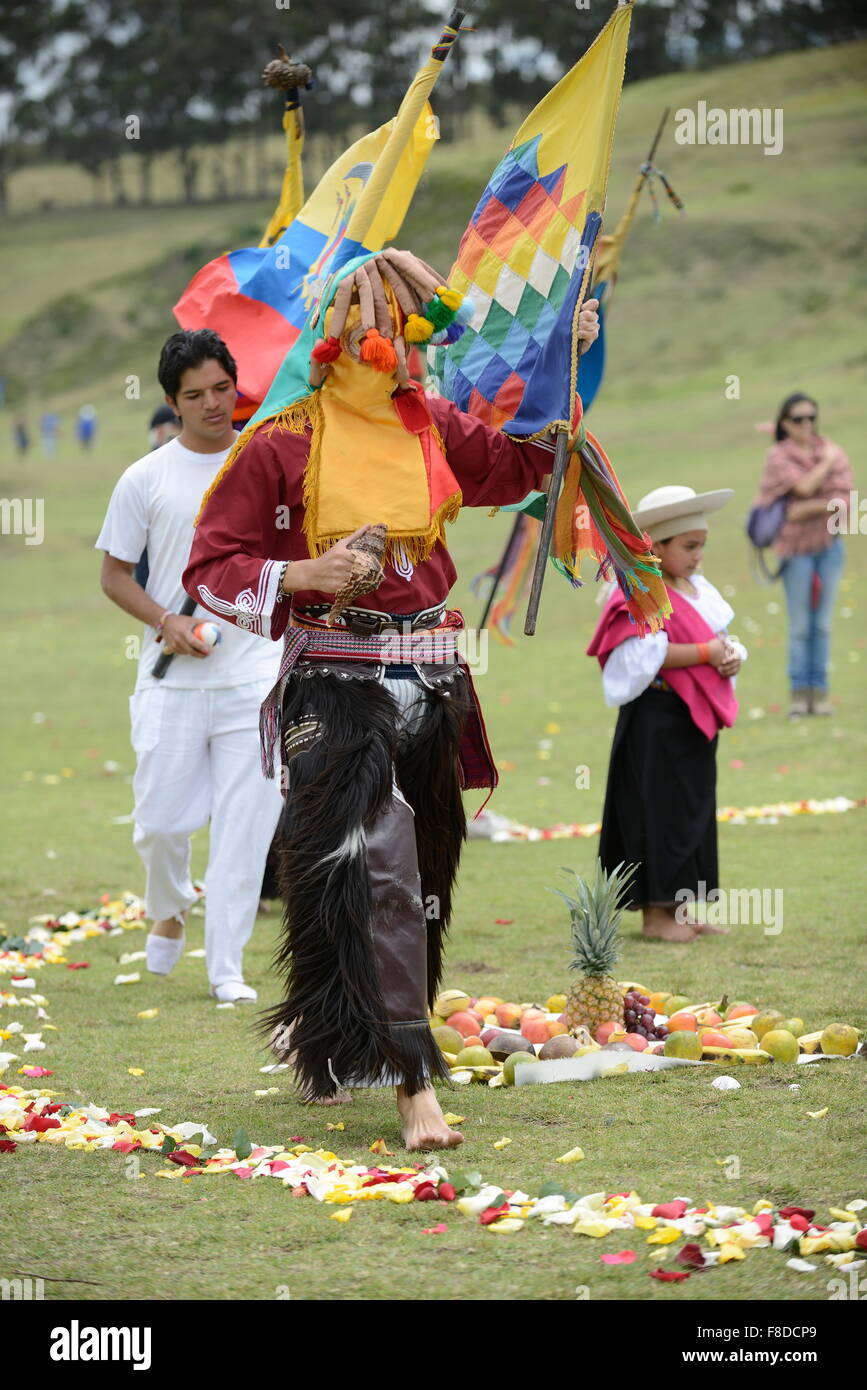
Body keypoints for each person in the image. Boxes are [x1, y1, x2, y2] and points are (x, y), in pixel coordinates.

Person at [184, 249, 640, 1147]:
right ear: (339, 339)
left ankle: (328, 1038)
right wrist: (298, 570)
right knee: (363, 865)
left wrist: (569, 359)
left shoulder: (430, 426)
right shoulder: (280, 442)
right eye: (383, 331)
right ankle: (406, 1077)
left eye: (410, 331)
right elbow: (209, 568)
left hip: (432, 682)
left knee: (424, 875)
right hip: (331, 681)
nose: (405, 348)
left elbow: (524, 468)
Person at [96, 329, 283, 1003]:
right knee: (160, 824)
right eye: (195, 395)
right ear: (172, 403)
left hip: (254, 675)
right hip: (171, 679)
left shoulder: (267, 463)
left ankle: (224, 967)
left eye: (222, 390)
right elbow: (114, 575)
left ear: (238, 387)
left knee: (245, 825)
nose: (212, 405)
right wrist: (165, 622)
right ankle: (169, 904)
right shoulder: (144, 478)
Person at [587, 485, 747, 943]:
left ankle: (681, 906)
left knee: (690, 811)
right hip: (655, 719)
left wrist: (730, 654)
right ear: (656, 546)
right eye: (689, 547)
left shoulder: (697, 589)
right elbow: (641, 658)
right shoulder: (640, 594)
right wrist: (706, 651)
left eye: (701, 546)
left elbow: (723, 635)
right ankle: (655, 914)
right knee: (655, 811)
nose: (698, 556)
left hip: (693, 720)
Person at [754, 393, 853, 718]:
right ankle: (798, 695)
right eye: (799, 419)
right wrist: (823, 472)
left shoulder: (834, 452)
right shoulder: (779, 457)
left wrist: (807, 505)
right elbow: (801, 494)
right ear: (785, 424)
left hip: (829, 546)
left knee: (822, 625)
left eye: (811, 417)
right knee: (800, 625)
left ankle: (819, 693)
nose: (807, 424)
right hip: (794, 551)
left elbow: (844, 502)